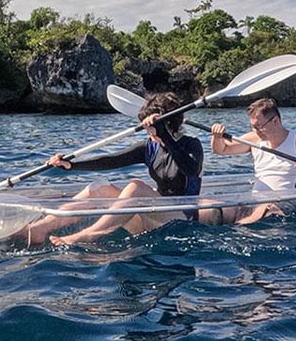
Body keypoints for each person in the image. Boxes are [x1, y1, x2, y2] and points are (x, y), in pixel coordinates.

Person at [19, 92, 203, 246]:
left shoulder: (192, 145)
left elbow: (191, 170)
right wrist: (71, 165)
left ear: (166, 124)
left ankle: (89, 235)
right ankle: (39, 229)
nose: (149, 132)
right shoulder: (149, 147)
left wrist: (164, 135)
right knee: (98, 188)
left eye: (152, 128)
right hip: (153, 218)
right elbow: (110, 161)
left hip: (181, 220)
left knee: (136, 187)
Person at [208, 97, 296, 225]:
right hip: (257, 201)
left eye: (259, 126)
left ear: (275, 121)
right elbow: (221, 149)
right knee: (213, 211)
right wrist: (217, 136)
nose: (255, 131)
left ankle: (243, 227)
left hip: (290, 201)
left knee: (269, 210)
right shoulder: (254, 139)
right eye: (252, 127)